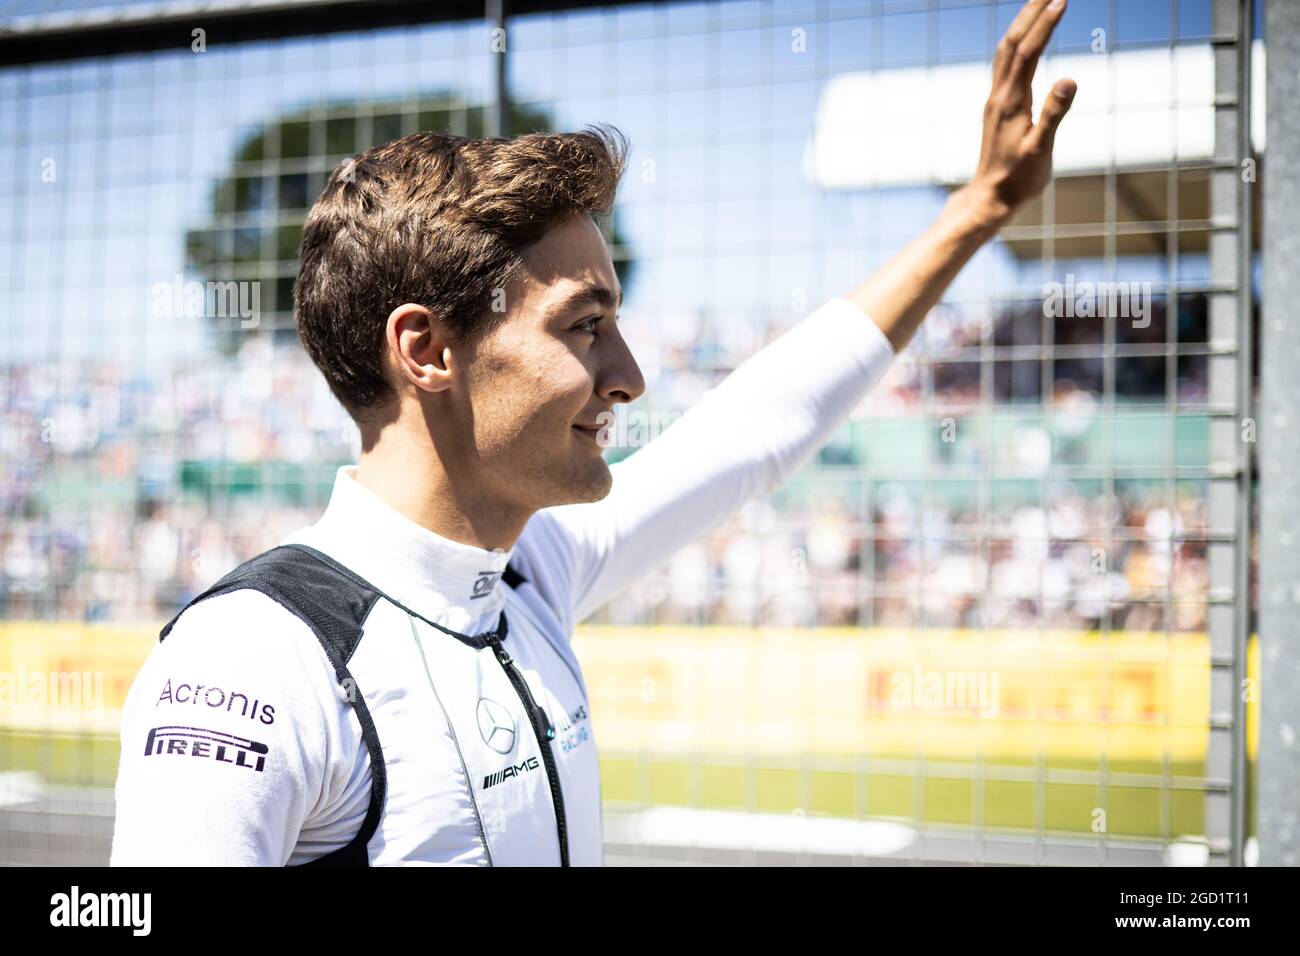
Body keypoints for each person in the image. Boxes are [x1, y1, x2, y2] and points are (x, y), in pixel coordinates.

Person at [109, 0, 1076, 866]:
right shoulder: (252, 659)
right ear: (427, 350)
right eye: (585, 325)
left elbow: (759, 428)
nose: (629, 376)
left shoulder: (534, 568)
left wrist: (977, 211)